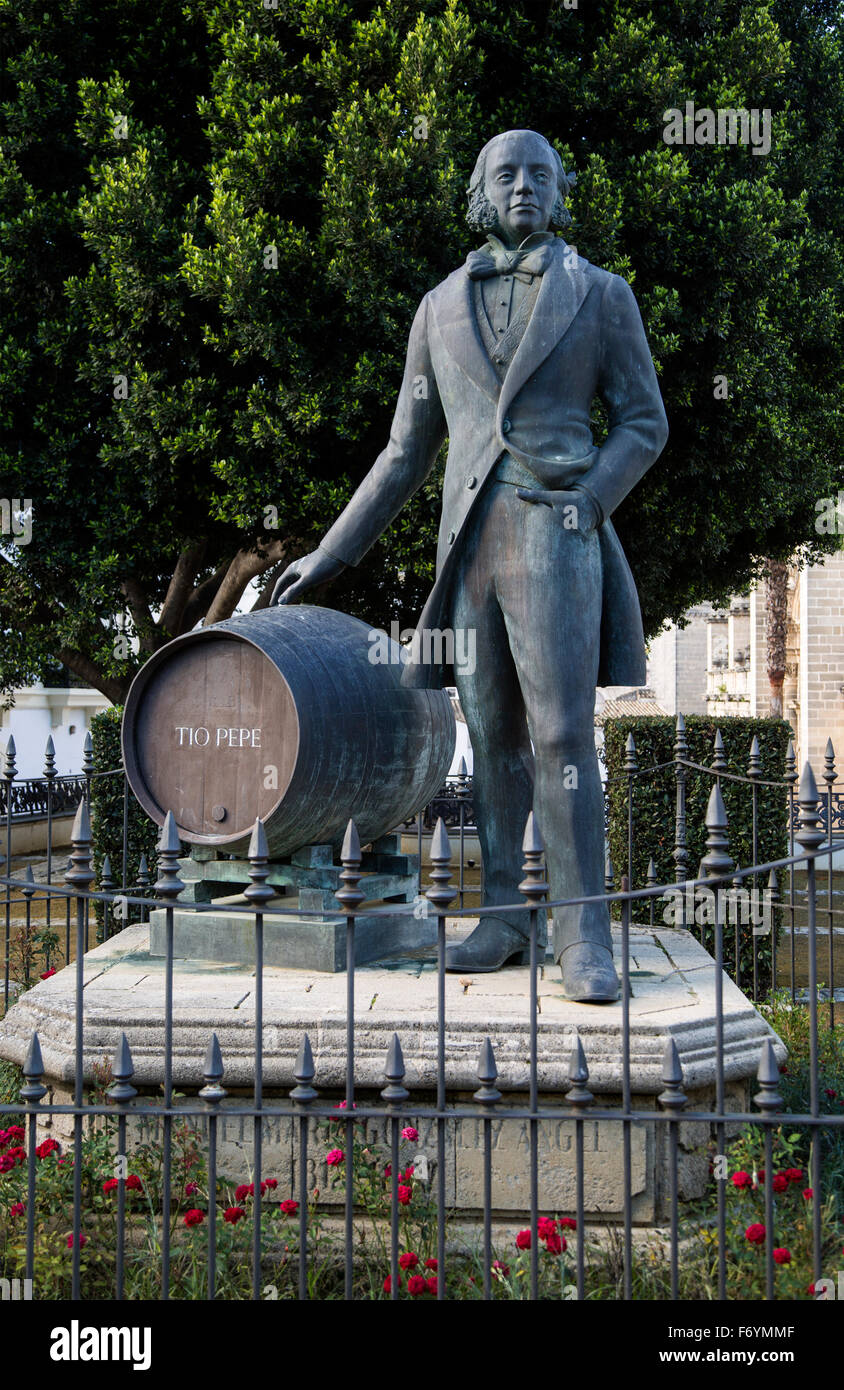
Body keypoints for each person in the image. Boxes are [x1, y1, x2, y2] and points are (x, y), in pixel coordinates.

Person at [273, 129, 668, 1001]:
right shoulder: (438, 308)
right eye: (507, 174)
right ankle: (502, 917)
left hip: (554, 534)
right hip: (468, 549)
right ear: (481, 195)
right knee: (492, 738)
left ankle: (584, 933)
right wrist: (331, 553)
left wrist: (590, 500)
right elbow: (404, 453)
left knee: (561, 733)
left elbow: (645, 422)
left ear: (560, 192)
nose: (524, 186)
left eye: (541, 173)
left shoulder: (601, 296)